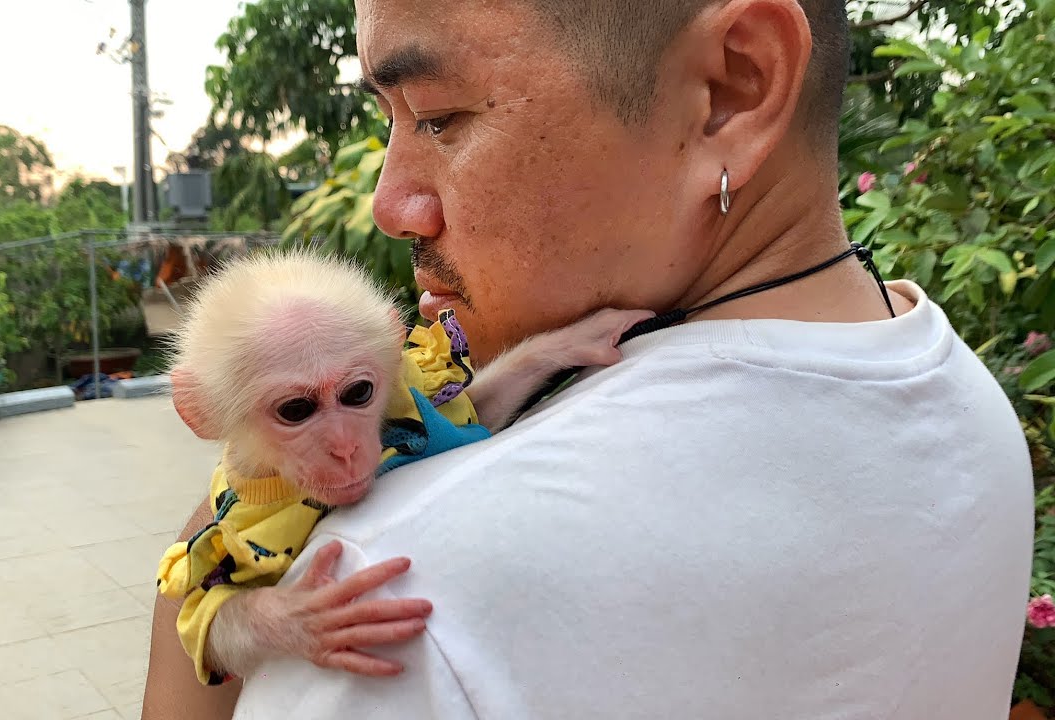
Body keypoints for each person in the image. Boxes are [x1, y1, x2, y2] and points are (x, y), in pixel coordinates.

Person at [141, 0, 1034, 717]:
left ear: (732, 87)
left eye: (438, 118)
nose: (391, 203)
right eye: (390, 124)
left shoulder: (393, 590)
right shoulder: (966, 404)